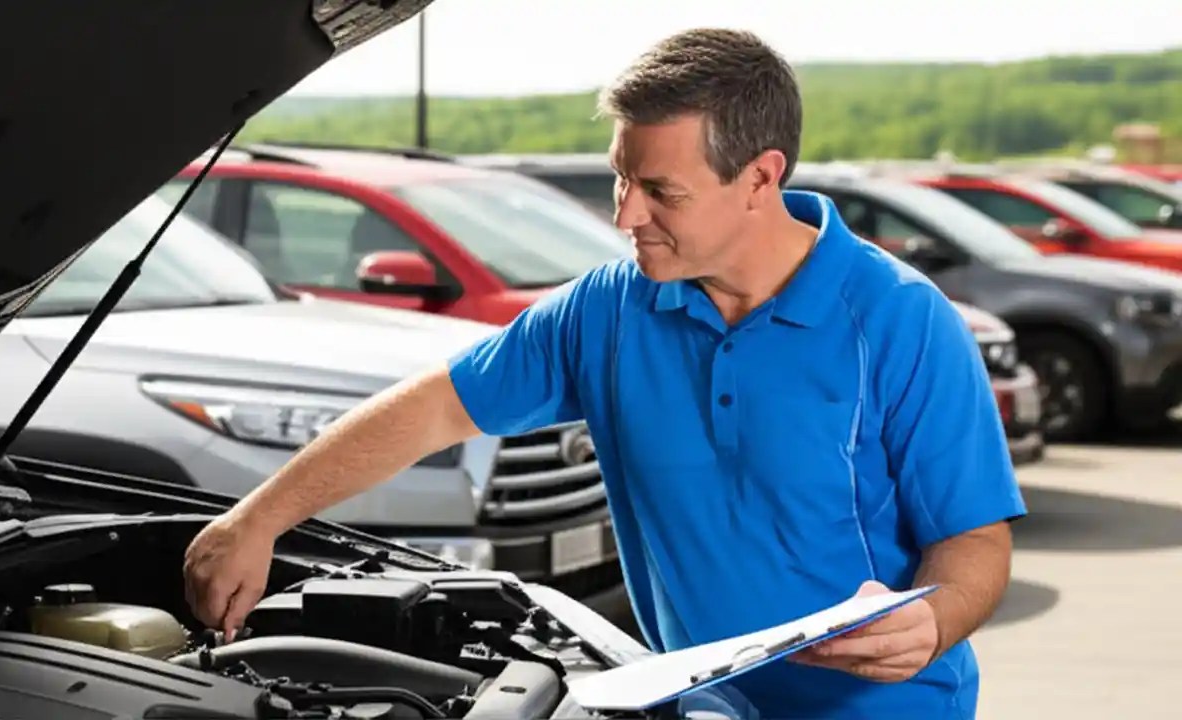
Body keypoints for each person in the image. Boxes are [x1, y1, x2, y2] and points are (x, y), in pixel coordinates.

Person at [183, 27, 1026, 719]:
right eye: (622, 179)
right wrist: (259, 519)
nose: (626, 215)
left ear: (761, 177)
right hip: (693, 710)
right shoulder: (609, 308)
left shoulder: (901, 320)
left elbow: (974, 539)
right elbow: (438, 409)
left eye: (661, 190)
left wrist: (937, 616)